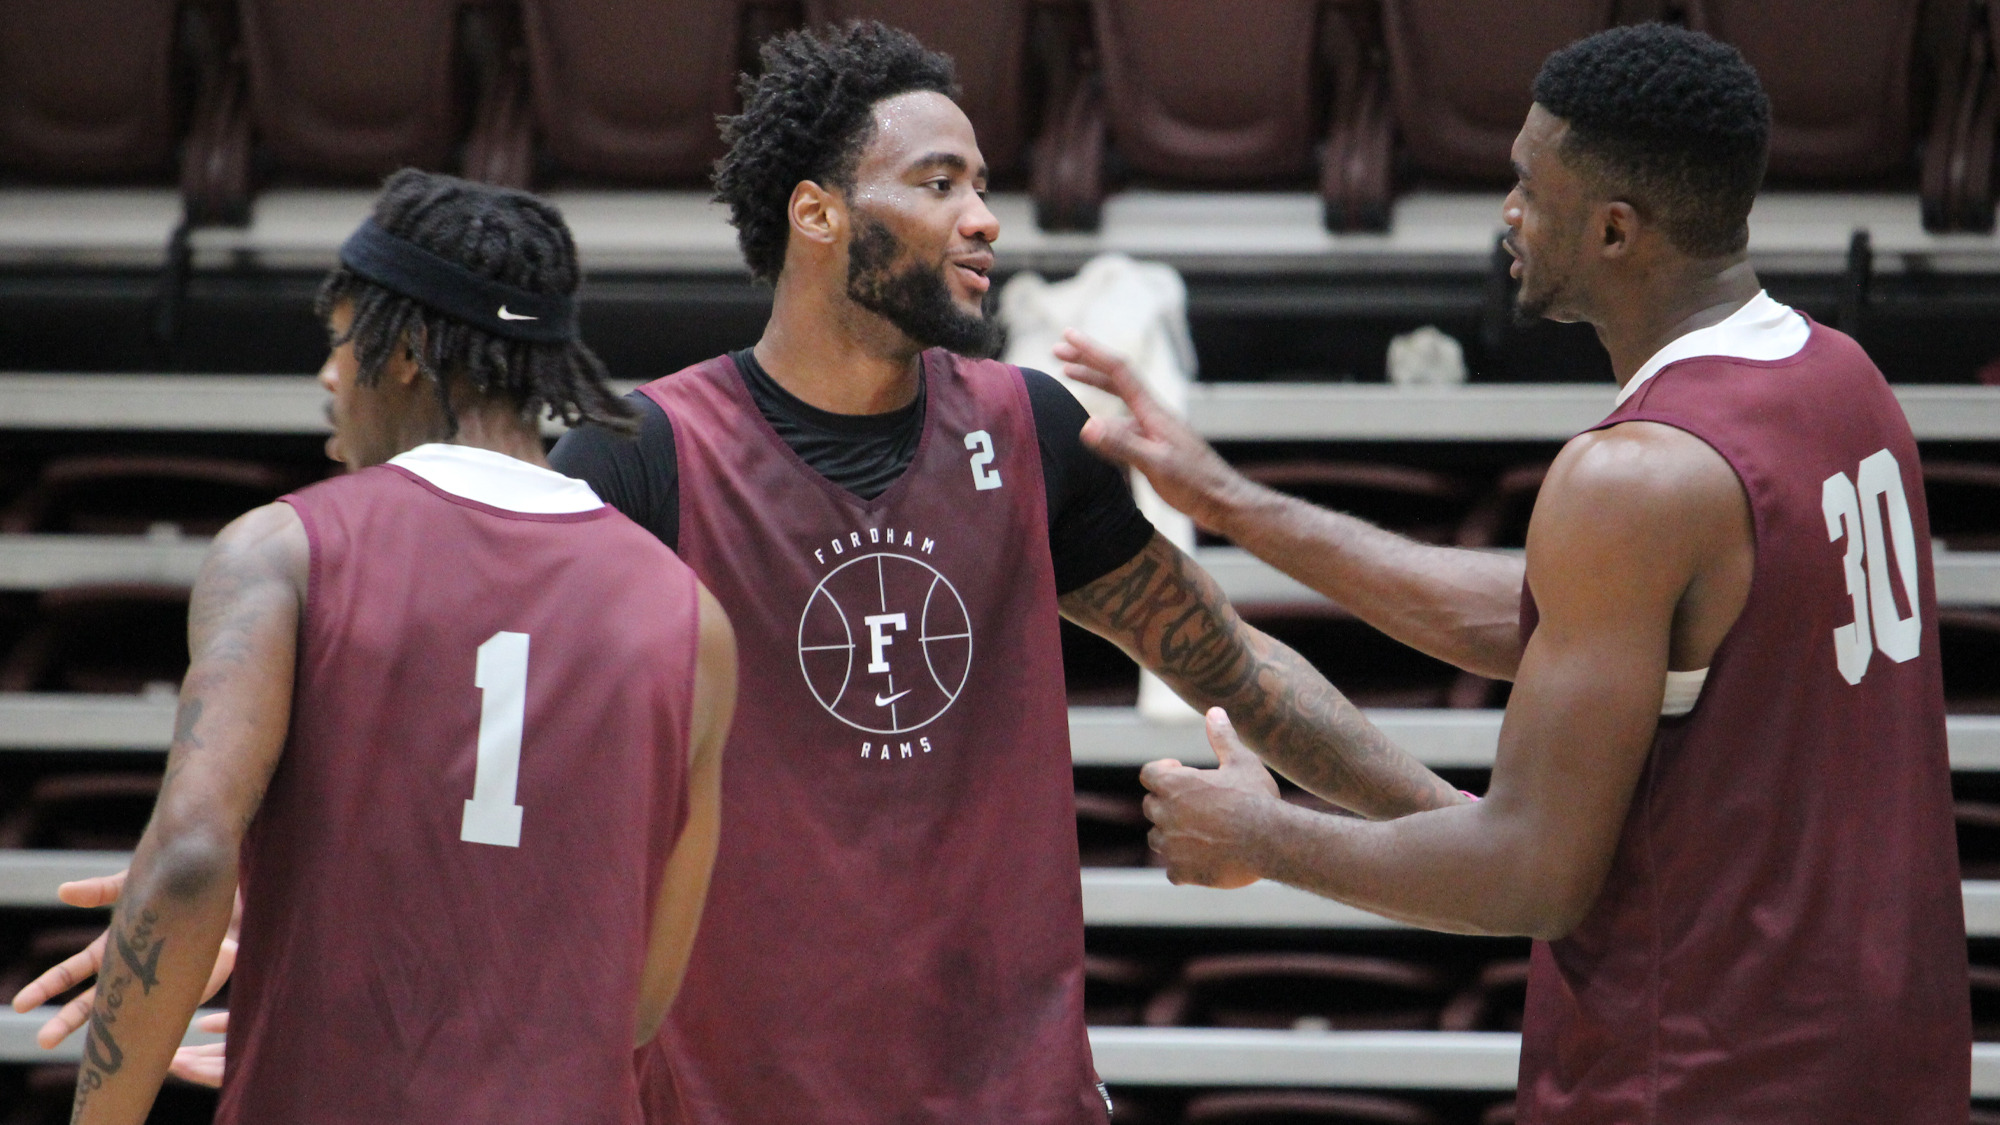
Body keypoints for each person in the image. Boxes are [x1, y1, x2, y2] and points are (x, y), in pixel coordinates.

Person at [547, 21, 1466, 1123]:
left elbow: (1232, 665)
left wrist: (1468, 828)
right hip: (731, 1095)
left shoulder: (1029, 428)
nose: (984, 217)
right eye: (939, 184)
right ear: (817, 214)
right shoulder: (640, 457)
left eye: (981, 185)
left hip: (1012, 1094)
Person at [1056, 24, 1970, 1122]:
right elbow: (1572, 617)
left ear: (1614, 229)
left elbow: (1530, 876)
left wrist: (1263, 838)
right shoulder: (1844, 383)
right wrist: (1230, 503)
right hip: (1883, 1057)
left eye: (1529, 188)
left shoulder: (1633, 477)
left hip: (1700, 1075)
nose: (1506, 213)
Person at [26, 169, 738, 1125]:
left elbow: (191, 855)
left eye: (339, 339)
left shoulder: (284, 549)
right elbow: (643, 994)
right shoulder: (692, 620)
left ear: (403, 352)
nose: (329, 378)